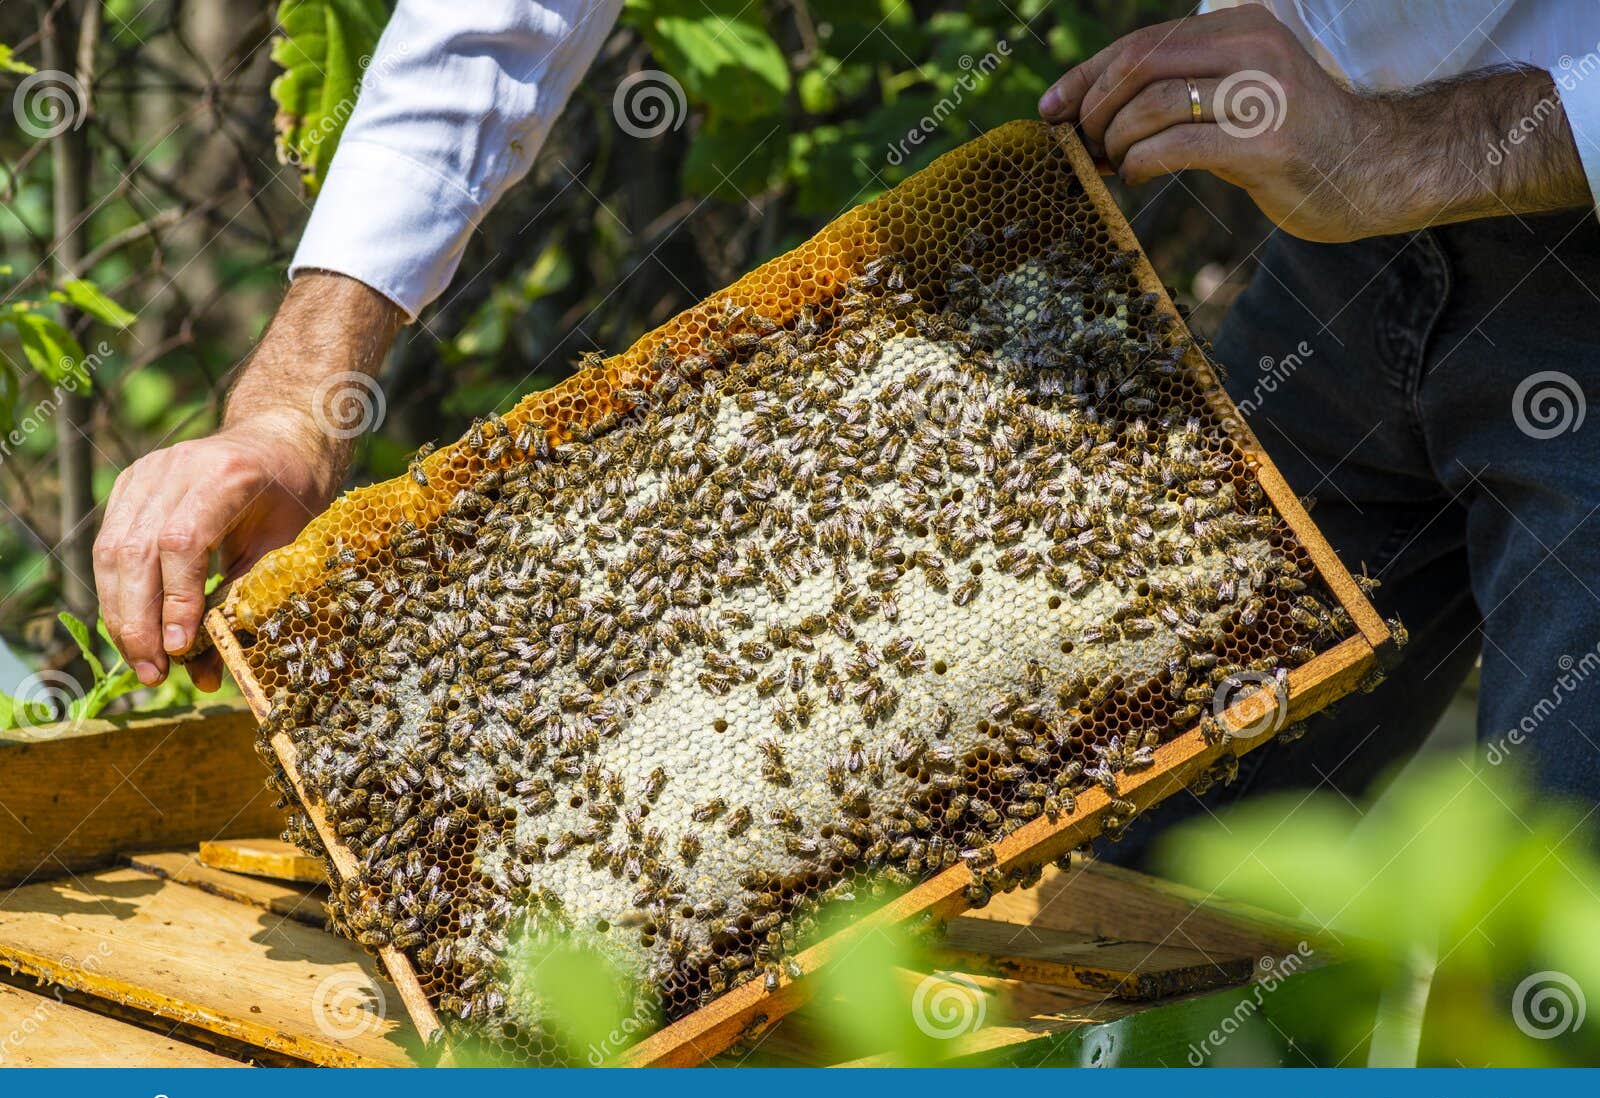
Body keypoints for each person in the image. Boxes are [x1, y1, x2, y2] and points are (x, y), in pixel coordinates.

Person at [95, 1, 1600, 824]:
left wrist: (1423, 145)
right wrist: (299, 392)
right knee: (1132, 902)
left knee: (1562, 966)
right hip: (1322, 240)